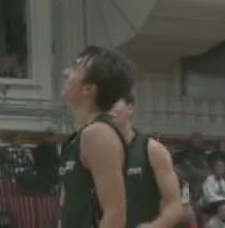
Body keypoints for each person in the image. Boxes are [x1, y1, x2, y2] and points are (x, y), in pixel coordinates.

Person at [58, 46, 132, 228]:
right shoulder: (80, 137)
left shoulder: (98, 134)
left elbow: (115, 214)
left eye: (75, 68)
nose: (66, 72)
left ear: (89, 89)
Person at [107, 94, 184, 228]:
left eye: (112, 104)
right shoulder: (92, 154)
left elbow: (175, 206)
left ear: (130, 108)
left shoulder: (152, 150)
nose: (107, 110)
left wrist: (154, 226)